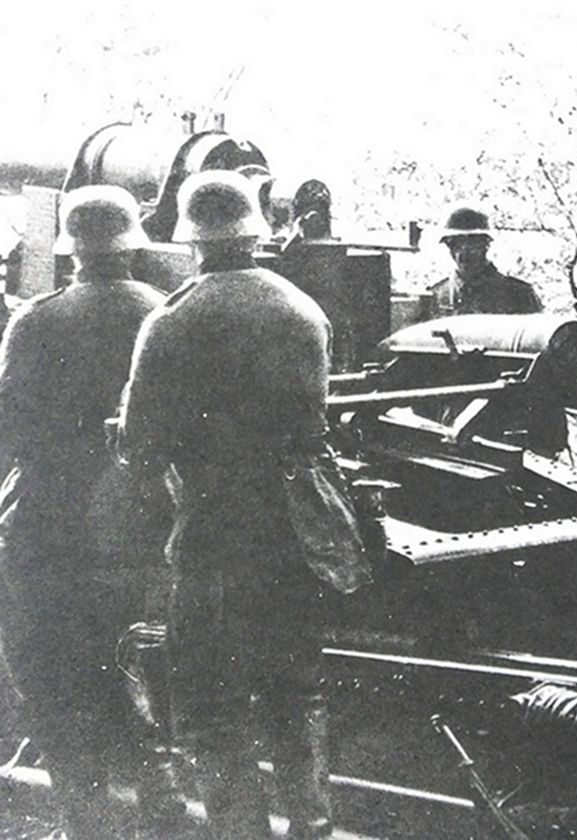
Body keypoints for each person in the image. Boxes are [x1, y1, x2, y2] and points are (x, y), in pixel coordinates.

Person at [118, 170, 337, 839]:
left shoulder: (174, 320)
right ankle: (313, 825)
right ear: (254, 231)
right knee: (294, 694)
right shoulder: (303, 310)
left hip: (215, 539)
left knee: (212, 706)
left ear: (192, 241)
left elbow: (141, 451)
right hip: (296, 539)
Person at [0, 185, 178, 838]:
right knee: (131, 678)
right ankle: (161, 811)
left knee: (53, 683)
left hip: (51, 532)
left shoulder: (37, 321)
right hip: (146, 532)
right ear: (132, 246)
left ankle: (86, 823)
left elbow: (7, 429)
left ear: (69, 249)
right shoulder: (165, 312)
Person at [425, 207, 542, 318]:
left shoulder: (518, 295)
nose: (463, 252)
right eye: (455, 244)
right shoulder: (435, 297)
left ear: (485, 244)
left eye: (472, 243)